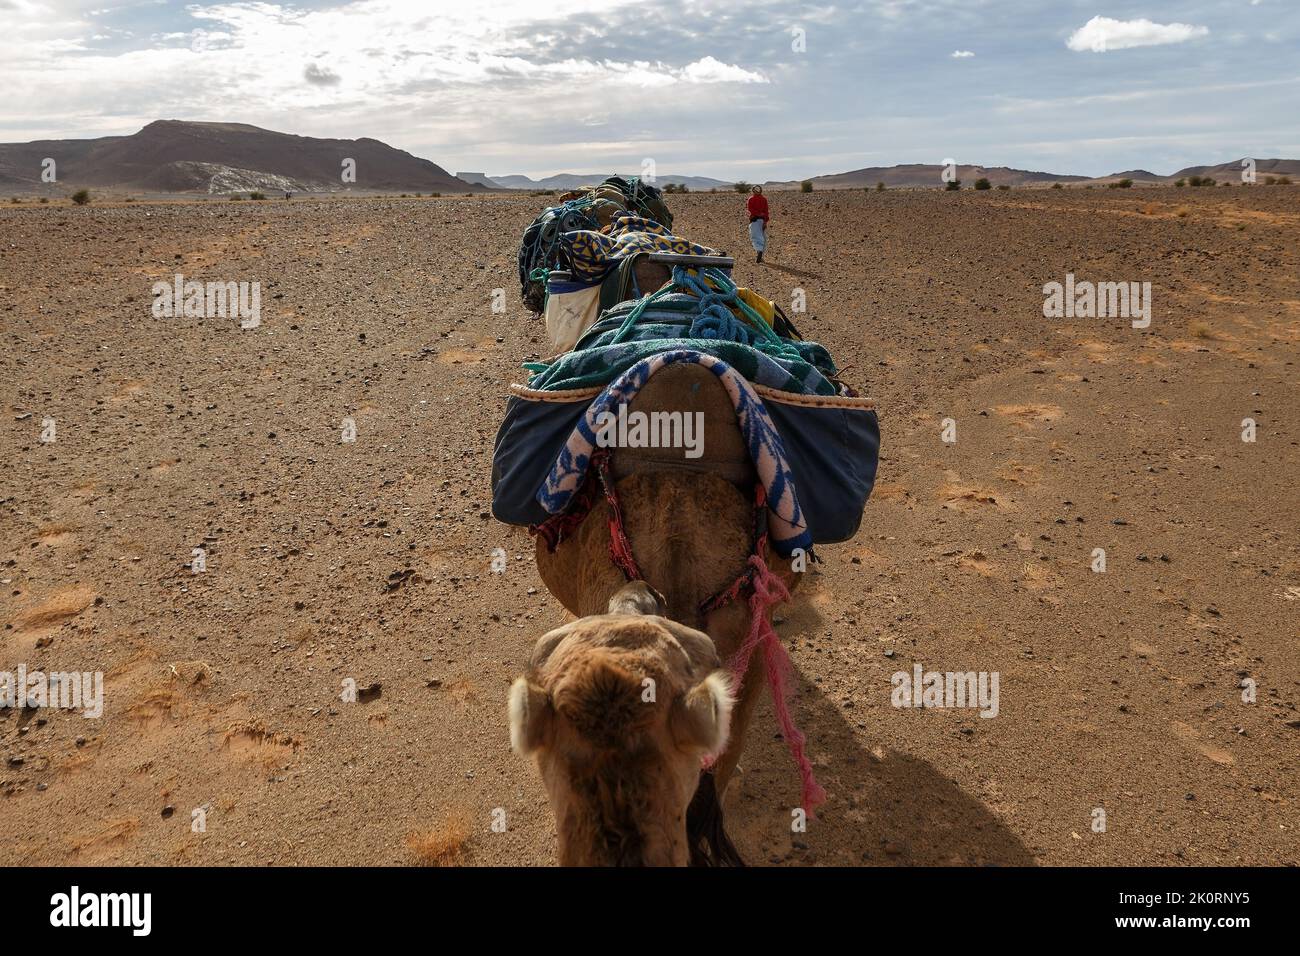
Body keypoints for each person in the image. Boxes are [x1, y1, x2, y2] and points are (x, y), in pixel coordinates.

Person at [746, 185, 769, 263]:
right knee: (763, 238)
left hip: (754, 221)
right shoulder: (764, 199)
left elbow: (750, 209)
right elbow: (766, 211)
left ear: (753, 191)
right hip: (762, 221)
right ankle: (760, 255)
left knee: (755, 237)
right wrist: (765, 221)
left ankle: (758, 252)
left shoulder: (751, 199)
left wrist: (758, 214)